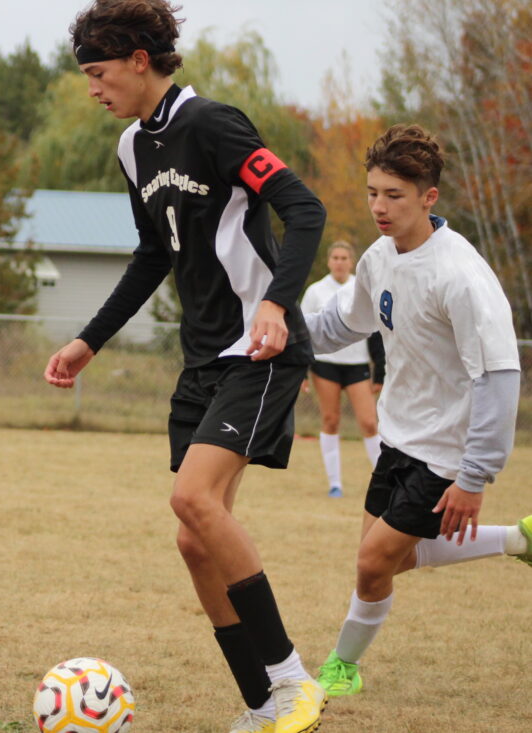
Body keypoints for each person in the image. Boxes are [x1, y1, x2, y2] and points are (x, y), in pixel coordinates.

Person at [44, 3, 328, 731]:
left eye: (99, 73)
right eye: (86, 76)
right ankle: (264, 706)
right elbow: (151, 257)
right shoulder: (133, 149)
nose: (92, 90)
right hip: (202, 360)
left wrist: (277, 303)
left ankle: (295, 682)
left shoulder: (214, 123)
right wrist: (88, 340)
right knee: (192, 533)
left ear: (141, 59)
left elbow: (305, 207)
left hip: (259, 350)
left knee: (192, 501)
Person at [305, 124, 532, 700]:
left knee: (371, 563)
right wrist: (280, 338)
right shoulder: (380, 258)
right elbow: (340, 324)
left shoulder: (460, 276)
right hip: (398, 439)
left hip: (446, 453)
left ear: (429, 198)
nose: (379, 207)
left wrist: (473, 476)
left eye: (394, 195)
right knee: (391, 562)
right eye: (373, 192)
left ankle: (341, 666)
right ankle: (518, 541)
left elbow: (500, 378)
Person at [299, 242, 383, 497]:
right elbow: (301, 331)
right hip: (325, 366)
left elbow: (376, 330)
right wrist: (301, 371)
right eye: (334, 257)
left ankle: (384, 482)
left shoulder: (361, 287)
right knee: (330, 420)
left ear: (352, 261)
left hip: (357, 366)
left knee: (369, 423)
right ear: (328, 261)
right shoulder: (315, 291)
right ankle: (335, 484)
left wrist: (380, 370)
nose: (339, 262)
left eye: (344, 257)